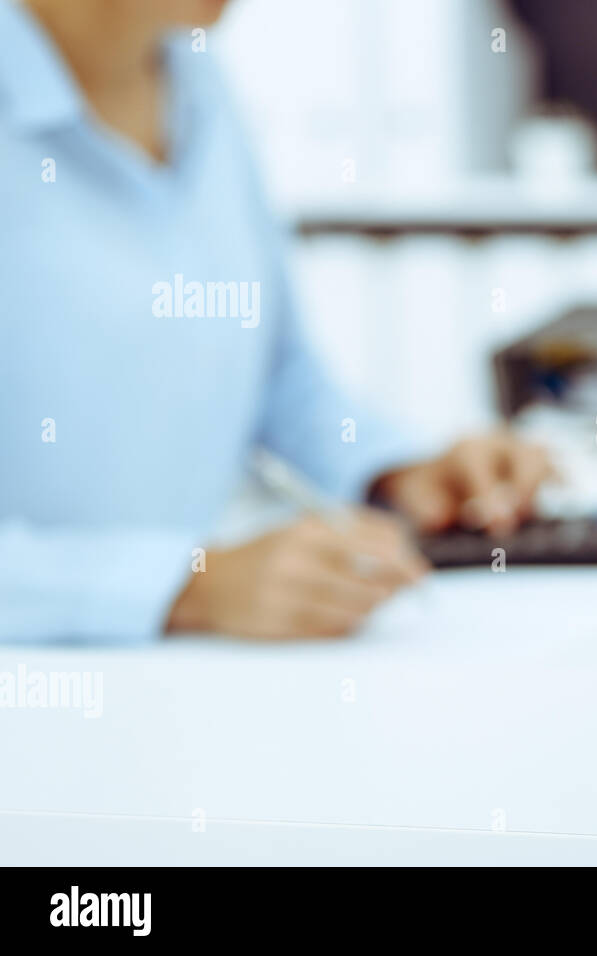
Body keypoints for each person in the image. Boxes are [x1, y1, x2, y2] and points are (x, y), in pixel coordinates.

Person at [0, 0, 552, 642]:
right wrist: (187, 586)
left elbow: (278, 378)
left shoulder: (199, 84)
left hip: (181, 689)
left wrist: (398, 474)